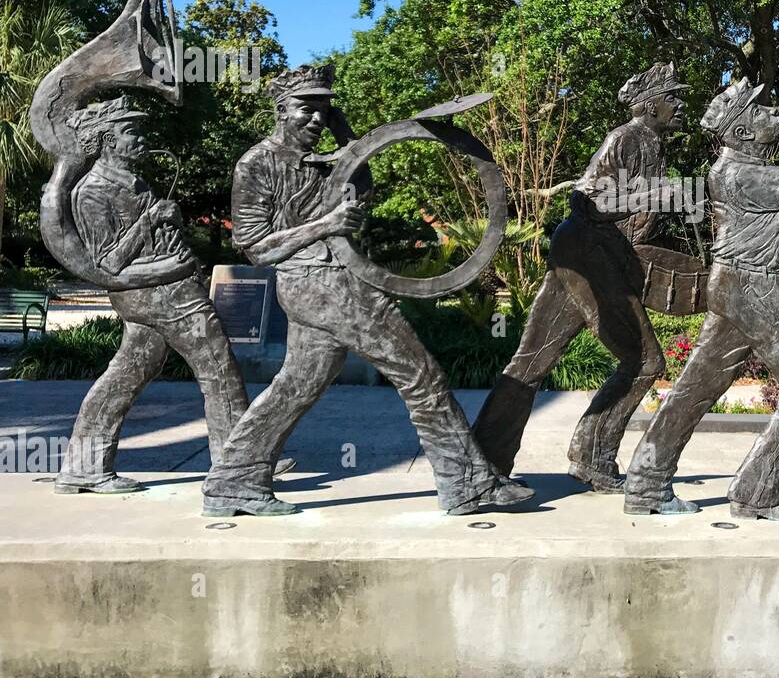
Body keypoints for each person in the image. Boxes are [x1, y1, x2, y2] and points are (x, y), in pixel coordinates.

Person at [201, 65, 531, 517]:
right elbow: (254, 245)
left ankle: (232, 481)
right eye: (305, 109)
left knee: (297, 386)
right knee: (420, 374)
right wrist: (326, 224)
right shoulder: (257, 163)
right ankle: (467, 484)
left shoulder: (328, 159)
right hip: (319, 284)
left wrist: (344, 133)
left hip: (335, 281)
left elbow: (364, 185)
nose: (315, 119)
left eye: (323, 110)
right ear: (280, 110)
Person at [622, 74, 779, 520]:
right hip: (754, 285)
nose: (772, 112)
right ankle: (757, 492)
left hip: (738, 284)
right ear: (742, 132)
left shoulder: (741, 168)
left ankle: (646, 485)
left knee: (694, 388)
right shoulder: (741, 173)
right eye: (759, 111)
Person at [472, 63, 689, 491]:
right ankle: (591, 457)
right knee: (645, 361)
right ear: (651, 105)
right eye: (674, 97)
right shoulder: (625, 138)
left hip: (586, 250)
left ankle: (478, 469)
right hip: (588, 250)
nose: (682, 105)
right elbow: (586, 200)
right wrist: (656, 195)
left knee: (532, 360)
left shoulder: (651, 143)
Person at [55, 96, 250, 494]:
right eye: (131, 132)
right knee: (217, 362)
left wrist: (169, 231)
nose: (141, 138)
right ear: (108, 141)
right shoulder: (92, 191)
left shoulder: (134, 182)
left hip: (165, 287)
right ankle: (241, 464)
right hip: (154, 294)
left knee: (128, 373)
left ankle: (84, 467)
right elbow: (109, 263)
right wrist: (151, 220)